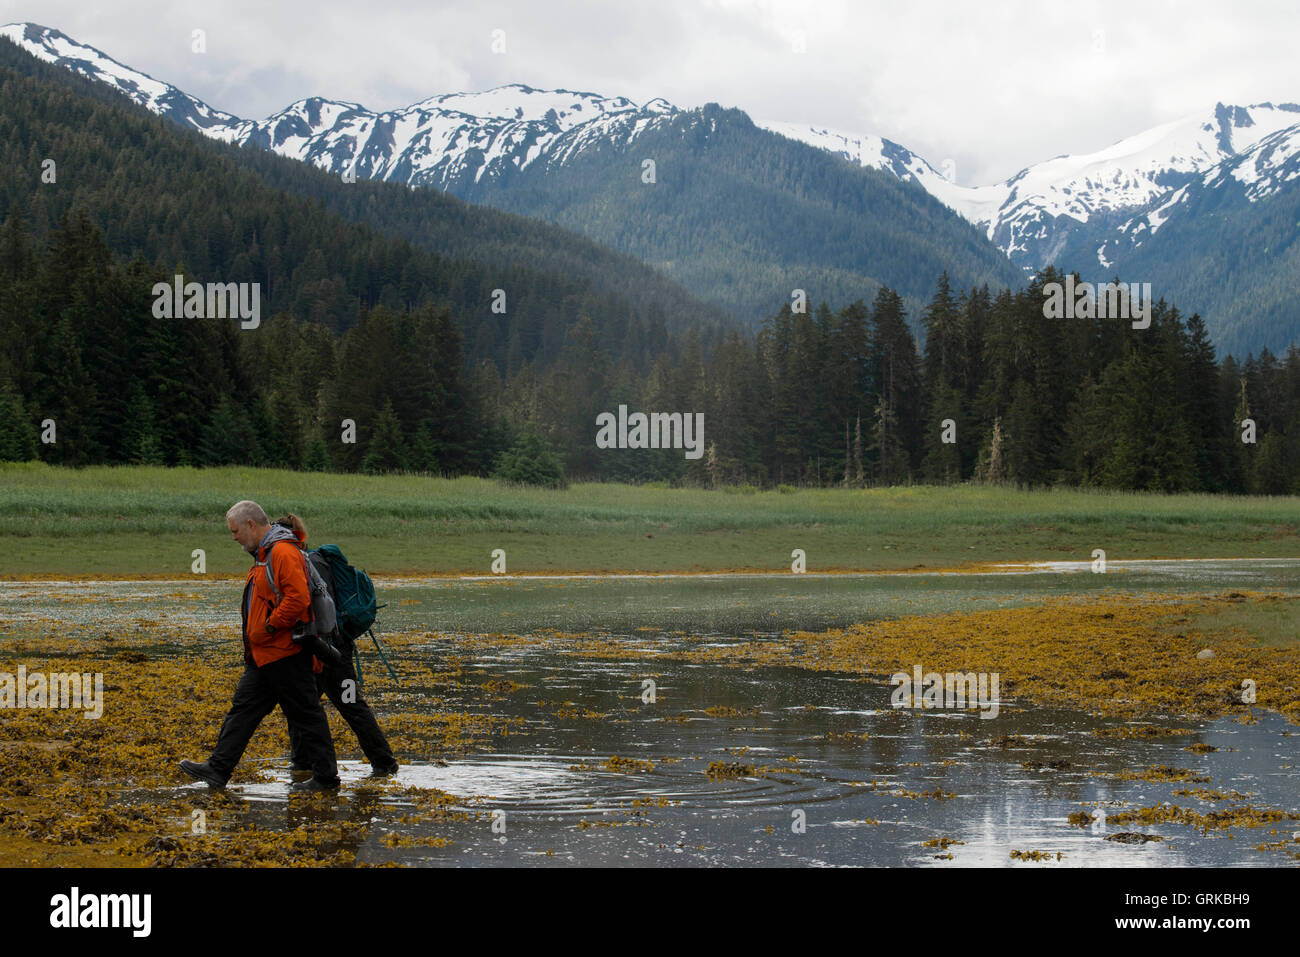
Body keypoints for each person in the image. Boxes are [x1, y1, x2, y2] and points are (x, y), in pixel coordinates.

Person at [179, 500, 340, 791]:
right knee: (243, 710)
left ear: (251, 524)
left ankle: (326, 778)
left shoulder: (282, 552)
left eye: (235, 530)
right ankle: (218, 769)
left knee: (306, 714)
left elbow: (298, 599)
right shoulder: (266, 553)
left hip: (286, 653)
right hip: (264, 655)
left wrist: (269, 626)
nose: (234, 537)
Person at [271, 513, 399, 777]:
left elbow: (313, 607)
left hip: (321, 651)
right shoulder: (320, 560)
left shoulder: (305, 563)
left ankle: (303, 764)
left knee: (304, 708)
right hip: (339, 649)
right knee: (349, 705)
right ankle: (384, 762)